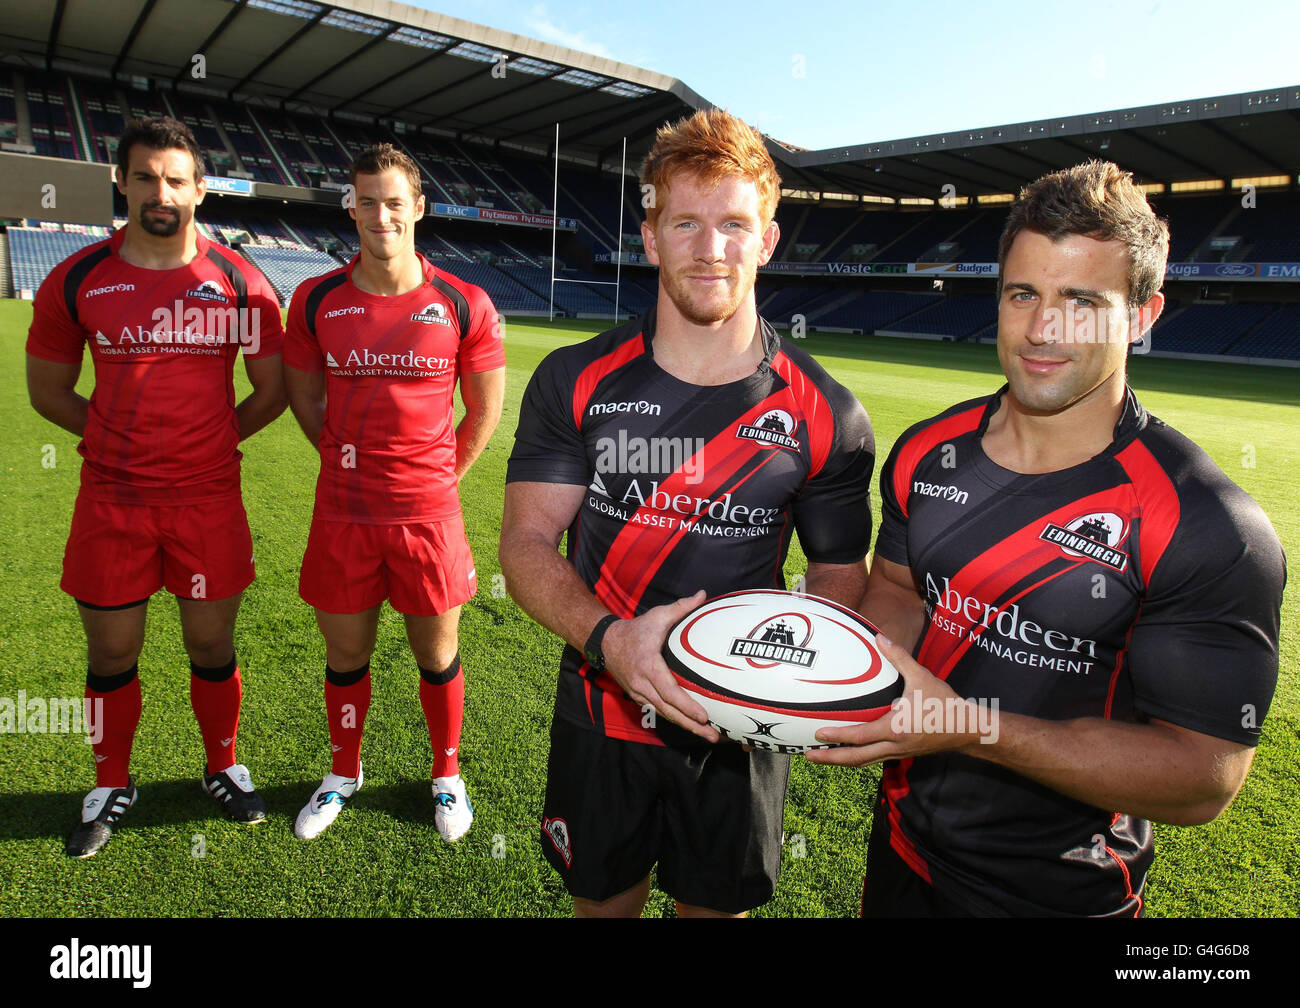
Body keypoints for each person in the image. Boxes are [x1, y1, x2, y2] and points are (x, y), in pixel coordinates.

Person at [809, 160, 1286, 917]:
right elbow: (899, 590)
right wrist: (848, 675)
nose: (1041, 330)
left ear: (1142, 315)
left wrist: (964, 728)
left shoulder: (1205, 525)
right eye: (1023, 293)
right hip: (901, 844)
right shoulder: (928, 452)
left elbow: (1203, 777)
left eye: (1082, 301)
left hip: (1062, 895)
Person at [500, 107, 875, 917]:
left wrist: (785, 676)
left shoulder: (827, 413)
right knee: (603, 906)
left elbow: (841, 572)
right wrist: (609, 640)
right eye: (686, 223)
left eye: (735, 224)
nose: (711, 249)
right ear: (650, 237)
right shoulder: (573, 380)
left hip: (740, 730)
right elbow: (526, 542)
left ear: (767, 241)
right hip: (601, 707)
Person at [26, 116, 287, 858]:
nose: (160, 193)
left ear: (200, 190)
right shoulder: (78, 277)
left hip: (207, 500)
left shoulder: (238, 281)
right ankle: (111, 782)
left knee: (211, 641)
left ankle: (222, 765)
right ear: (121, 182)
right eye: (144, 177)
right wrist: (113, 437)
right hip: (112, 501)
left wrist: (213, 442)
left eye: (175, 180)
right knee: (111, 653)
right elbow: (48, 390)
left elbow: (271, 390)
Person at [283, 143, 504, 843]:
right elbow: (305, 398)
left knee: (436, 656)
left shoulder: (463, 302)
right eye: (368, 202)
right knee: (346, 655)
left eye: (395, 202)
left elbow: (485, 412)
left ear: (419, 208)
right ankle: (343, 772)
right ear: (352, 207)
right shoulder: (315, 299)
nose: (382, 215)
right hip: (343, 513)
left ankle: (446, 775)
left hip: (428, 516)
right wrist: (345, 462)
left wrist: (438, 478)